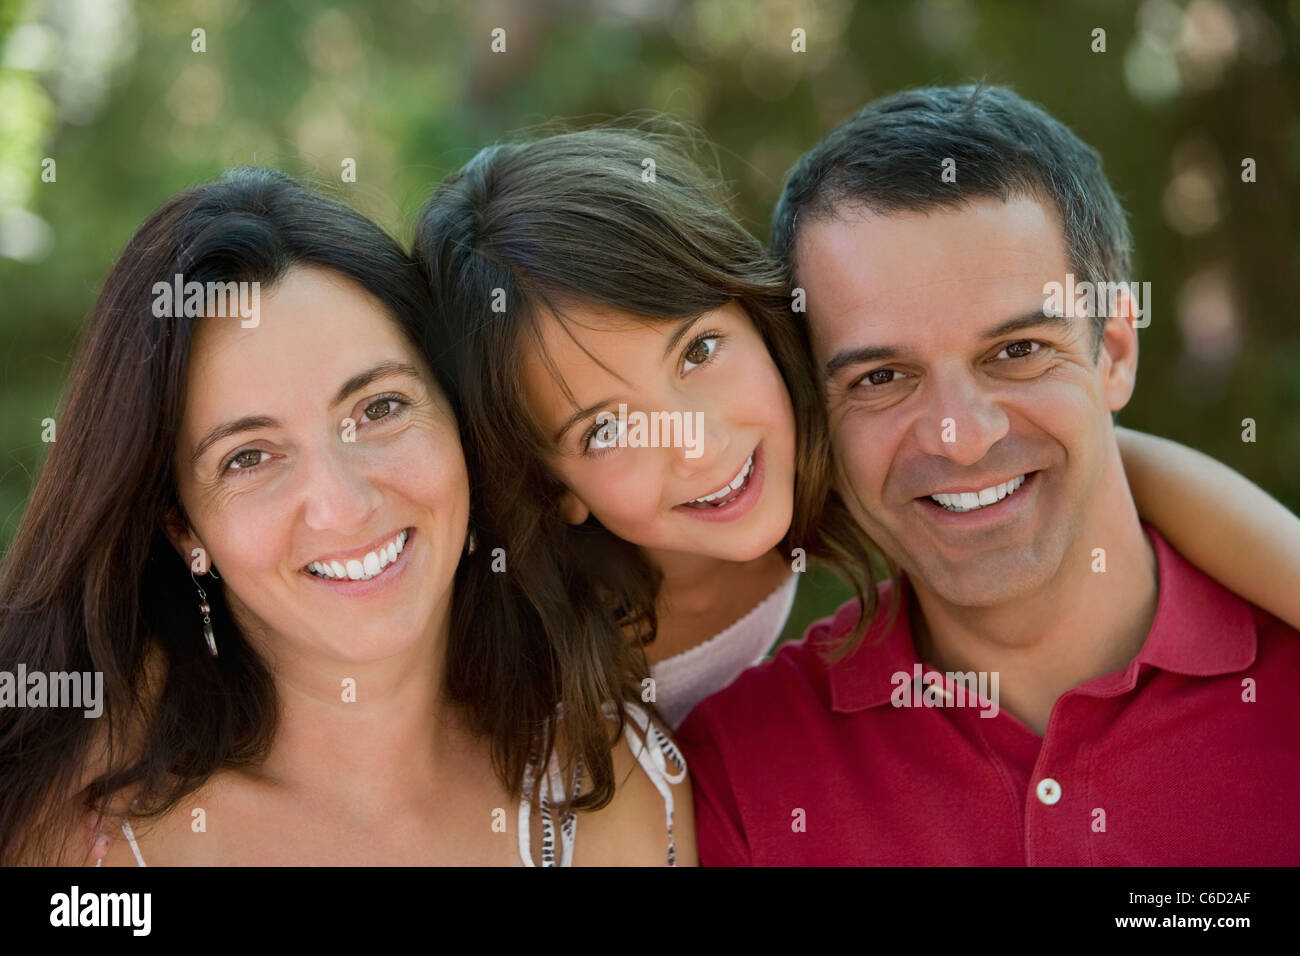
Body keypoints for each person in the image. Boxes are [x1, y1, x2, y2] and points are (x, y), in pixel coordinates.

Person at [414, 121, 1300, 735]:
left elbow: (1095, 460)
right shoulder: (504, 628)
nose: (695, 444)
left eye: (697, 352)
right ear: (552, 485)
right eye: (606, 429)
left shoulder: (833, 453)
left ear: (765, 320)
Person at [676, 85, 1300, 865]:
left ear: (1113, 351)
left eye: (1017, 352)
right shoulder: (736, 774)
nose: (962, 438)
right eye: (881, 377)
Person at [0, 168, 692, 867]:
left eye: (380, 408)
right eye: (249, 458)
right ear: (184, 531)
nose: (343, 504)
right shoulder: (75, 843)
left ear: (463, 424)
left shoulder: (614, 783)